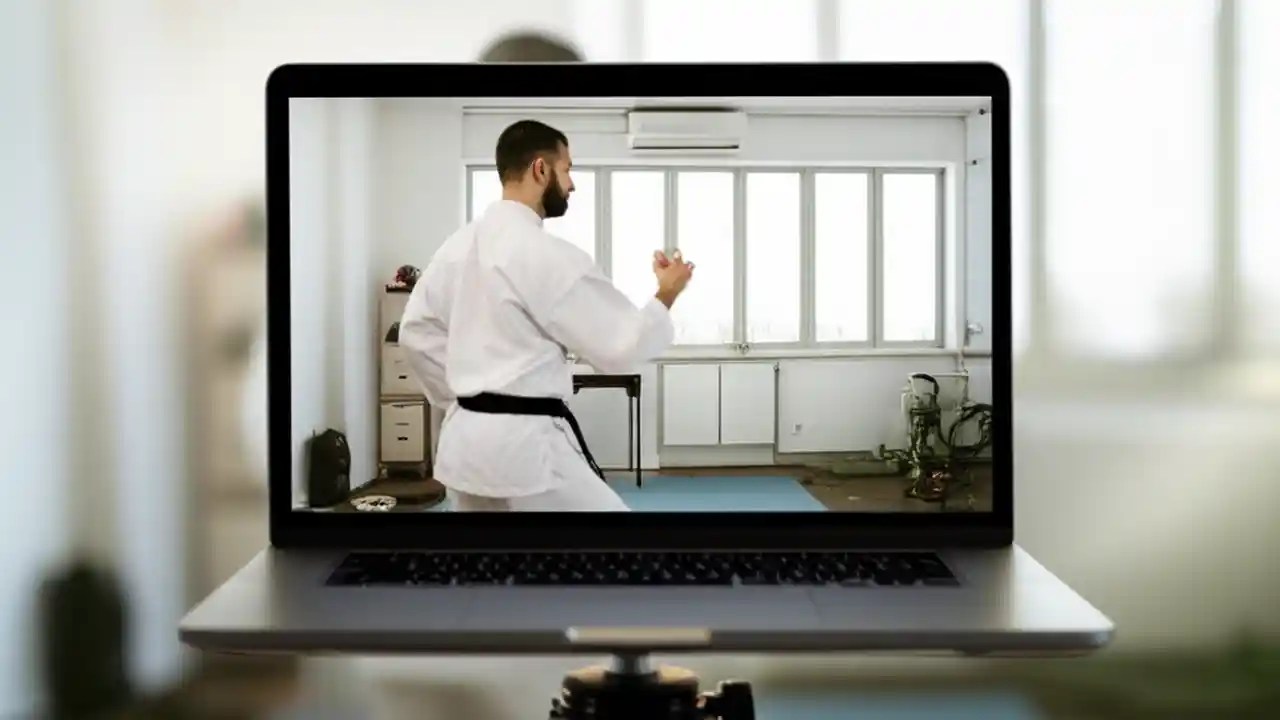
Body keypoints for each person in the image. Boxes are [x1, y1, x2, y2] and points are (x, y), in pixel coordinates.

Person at [398, 119, 694, 511]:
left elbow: (415, 333)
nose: (571, 184)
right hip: (526, 451)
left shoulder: (456, 247)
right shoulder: (545, 254)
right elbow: (622, 347)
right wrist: (667, 292)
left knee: (491, 566)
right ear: (541, 169)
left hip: (465, 445)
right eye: (567, 169)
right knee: (621, 551)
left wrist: (468, 399)